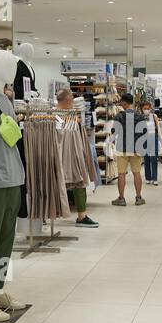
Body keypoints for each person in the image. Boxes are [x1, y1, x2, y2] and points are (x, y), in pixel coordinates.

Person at [57, 88, 98, 226]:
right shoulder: (61, 118)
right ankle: (81, 216)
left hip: (58, 157)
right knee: (78, 182)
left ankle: (46, 215)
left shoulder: (56, 115)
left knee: (60, 182)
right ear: (69, 100)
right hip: (67, 156)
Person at [110, 92, 145, 206]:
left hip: (122, 148)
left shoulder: (119, 116)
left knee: (121, 174)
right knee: (137, 173)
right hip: (136, 148)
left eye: (121, 102)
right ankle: (138, 198)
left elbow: (114, 132)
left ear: (124, 103)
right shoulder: (140, 116)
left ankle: (121, 198)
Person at [139, 99, 159, 186]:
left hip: (153, 137)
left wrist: (161, 139)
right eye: (145, 108)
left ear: (150, 108)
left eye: (148, 108)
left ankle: (155, 178)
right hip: (143, 138)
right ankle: (148, 178)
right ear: (142, 109)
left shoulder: (154, 116)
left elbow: (158, 128)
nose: (146, 109)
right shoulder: (139, 117)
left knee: (154, 158)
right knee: (146, 158)